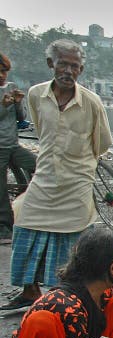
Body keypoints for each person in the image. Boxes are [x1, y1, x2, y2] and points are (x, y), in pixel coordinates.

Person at [1, 40, 112, 311]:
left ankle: (64, 295)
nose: (68, 71)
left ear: (81, 69)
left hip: (76, 180)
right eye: (62, 63)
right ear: (51, 64)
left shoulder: (91, 102)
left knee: (72, 238)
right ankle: (29, 291)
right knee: (25, 224)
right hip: (45, 175)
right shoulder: (37, 95)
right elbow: (42, 130)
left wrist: (80, 163)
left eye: (74, 66)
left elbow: (103, 143)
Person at [0, 52, 36, 245]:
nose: (1, 75)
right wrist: (3, 106)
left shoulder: (11, 87)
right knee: (1, 189)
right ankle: (5, 227)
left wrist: (18, 102)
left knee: (40, 167)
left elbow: (20, 118)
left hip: (13, 145)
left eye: (4, 71)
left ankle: (32, 209)